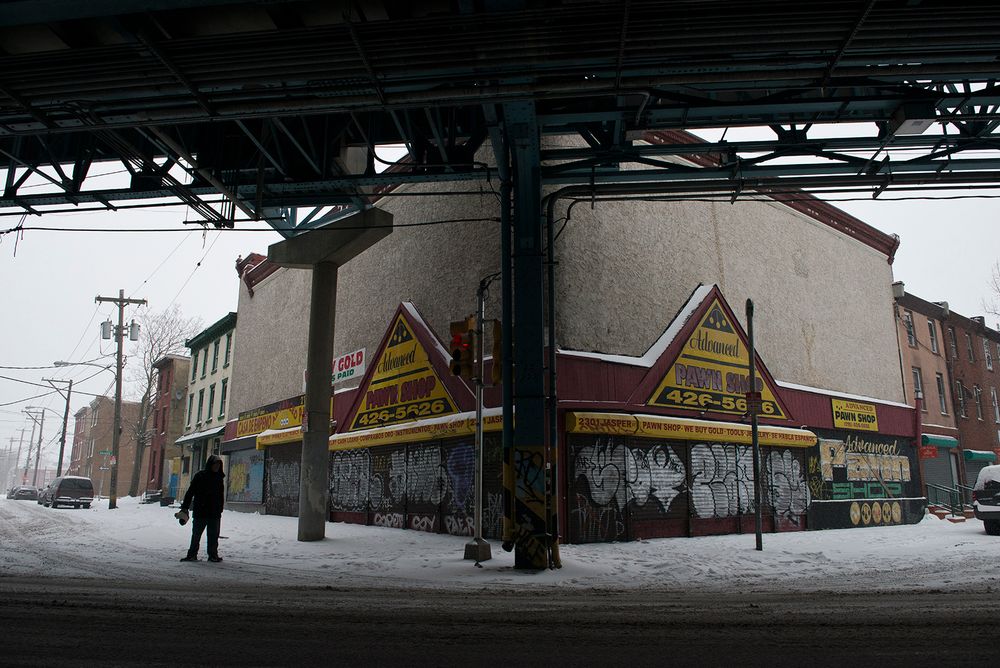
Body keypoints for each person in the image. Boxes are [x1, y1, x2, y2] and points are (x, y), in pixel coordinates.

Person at [178, 454, 226, 563]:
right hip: (201, 511)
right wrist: (185, 507)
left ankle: (213, 555)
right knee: (196, 535)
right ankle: (192, 554)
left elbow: (220, 495)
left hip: (214, 512)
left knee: (213, 535)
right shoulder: (200, 476)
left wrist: (220, 508)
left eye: (219, 464)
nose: (217, 466)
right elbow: (190, 492)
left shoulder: (219, 478)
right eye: (215, 464)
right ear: (210, 464)